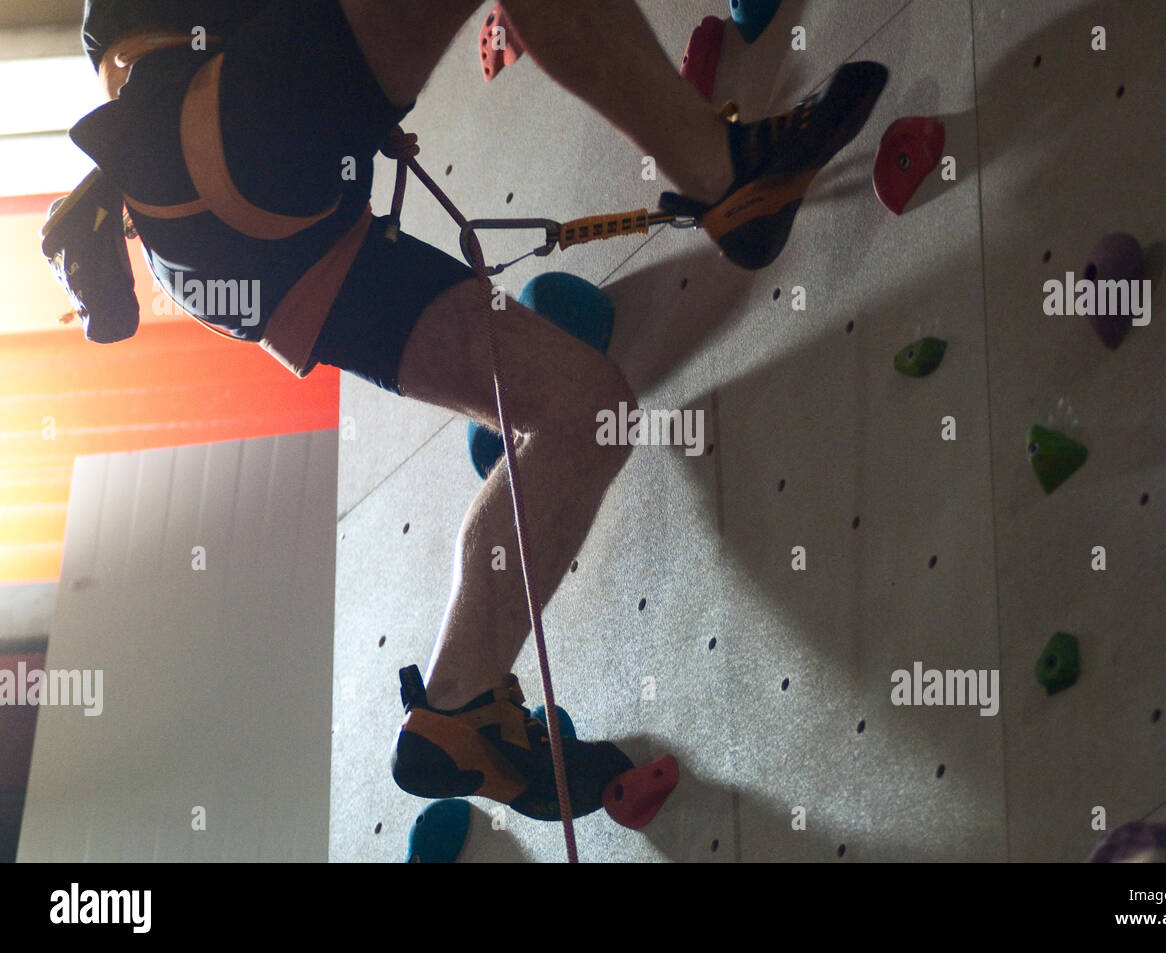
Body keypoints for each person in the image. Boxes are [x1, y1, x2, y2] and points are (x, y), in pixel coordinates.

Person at [72, 0, 887, 820]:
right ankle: (729, 175)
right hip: (216, 139)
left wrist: (347, 94)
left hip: (240, 242)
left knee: (583, 409)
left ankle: (456, 715)